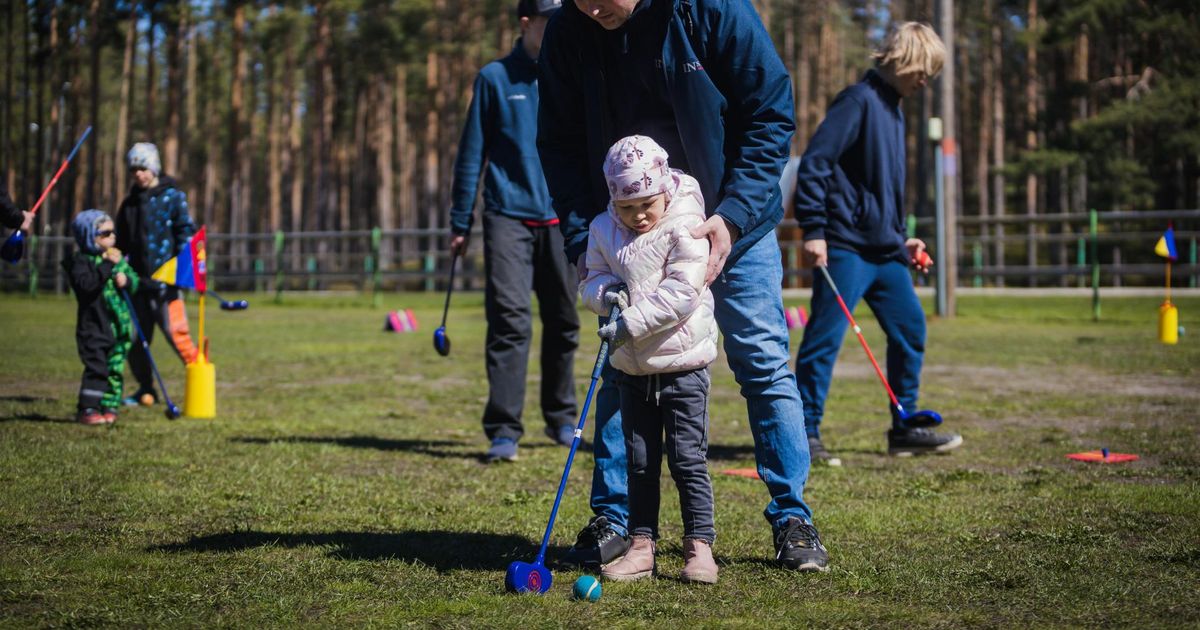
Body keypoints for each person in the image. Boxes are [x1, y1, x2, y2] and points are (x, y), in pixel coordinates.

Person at [539, 0, 828, 572]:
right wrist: (583, 241)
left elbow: (769, 113)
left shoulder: (710, 10)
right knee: (623, 367)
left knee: (763, 363)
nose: (593, 7)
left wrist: (736, 214)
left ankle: (793, 517)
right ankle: (617, 521)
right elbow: (560, 143)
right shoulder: (570, 31)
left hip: (727, 224)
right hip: (630, 233)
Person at [793, 22, 962, 462]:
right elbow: (815, 164)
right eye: (923, 70)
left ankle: (904, 428)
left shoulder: (893, 109)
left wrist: (900, 239)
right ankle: (804, 433)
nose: (926, 80)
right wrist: (813, 230)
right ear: (902, 59)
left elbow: (875, 188)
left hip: (884, 252)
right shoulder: (858, 101)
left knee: (910, 328)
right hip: (845, 246)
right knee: (823, 340)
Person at [580, 135, 720, 583]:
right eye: (628, 208)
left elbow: (682, 293)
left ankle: (699, 547)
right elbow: (590, 279)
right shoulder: (602, 228)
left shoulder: (686, 222)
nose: (639, 215)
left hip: (683, 366)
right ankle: (642, 546)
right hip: (633, 370)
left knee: (686, 460)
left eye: (647, 203)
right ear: (613, 201)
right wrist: (604, 294)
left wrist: (627, 324)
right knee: (639, 461)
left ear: (664, 191)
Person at [448, 0, 580, 463]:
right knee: (509, 320)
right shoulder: (494, 79)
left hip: (562, 217)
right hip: (507, 216)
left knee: (564, 319)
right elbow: (471, 155)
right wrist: (460, 221)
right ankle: (504, 429)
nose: (561, 26)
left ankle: (562, 419)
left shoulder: (571, 69)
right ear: (527, 23)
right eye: (551, 19)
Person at [115, 142, 199, 406]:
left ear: (154, 167)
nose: (138, 174)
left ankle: (199, 385)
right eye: (134, 169)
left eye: (143, 167)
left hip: (167, 283)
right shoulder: (129, 204)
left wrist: (182, 272)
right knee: (138, 342)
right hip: (139, 284)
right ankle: (145, 388)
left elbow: (186, 234)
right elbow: (121, 243)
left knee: (177, 334)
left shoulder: (173, 197)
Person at [64, 210, 140, 426]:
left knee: (115, 369)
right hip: (93, 327)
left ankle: (109, 406)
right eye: (105, 233)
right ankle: (88, 407)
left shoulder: (117, 257)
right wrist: (107, 266)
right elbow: (86, 286)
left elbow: (134, 282)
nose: (112, 237)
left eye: (113, 232)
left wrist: (127, 281)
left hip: (119, 327)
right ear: (89, 236)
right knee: (97, 368)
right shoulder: (82, 262)